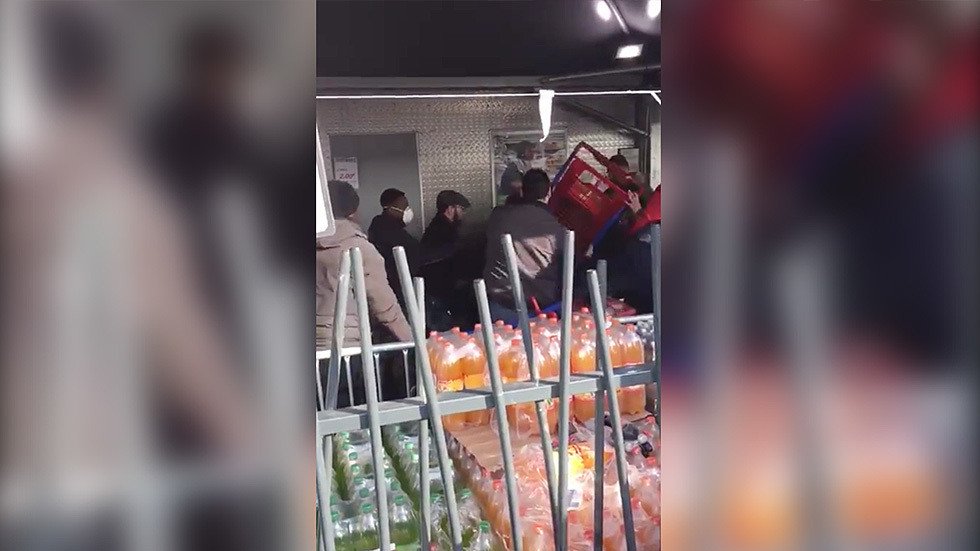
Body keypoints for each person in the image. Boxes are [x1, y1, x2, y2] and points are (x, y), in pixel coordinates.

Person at [316, 181, 412, 404]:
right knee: (348, 421)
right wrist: (412, 340)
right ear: (353, 212)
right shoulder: (358, 248)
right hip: (345, 352)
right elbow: (384, 304)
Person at [484, 169, 565, 323]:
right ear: (549, 192)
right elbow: (568, 267)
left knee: (503, 346)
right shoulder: (555, 227)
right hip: (539, 307)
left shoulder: (497, 216)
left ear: (522, 190)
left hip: (499, 301)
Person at [368, 188, 421, 307]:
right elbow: (413, 252)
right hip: (396, 289)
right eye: (404, 206)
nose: (407, 210)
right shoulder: (387, 230)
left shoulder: (383, 226)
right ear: (391, 208)